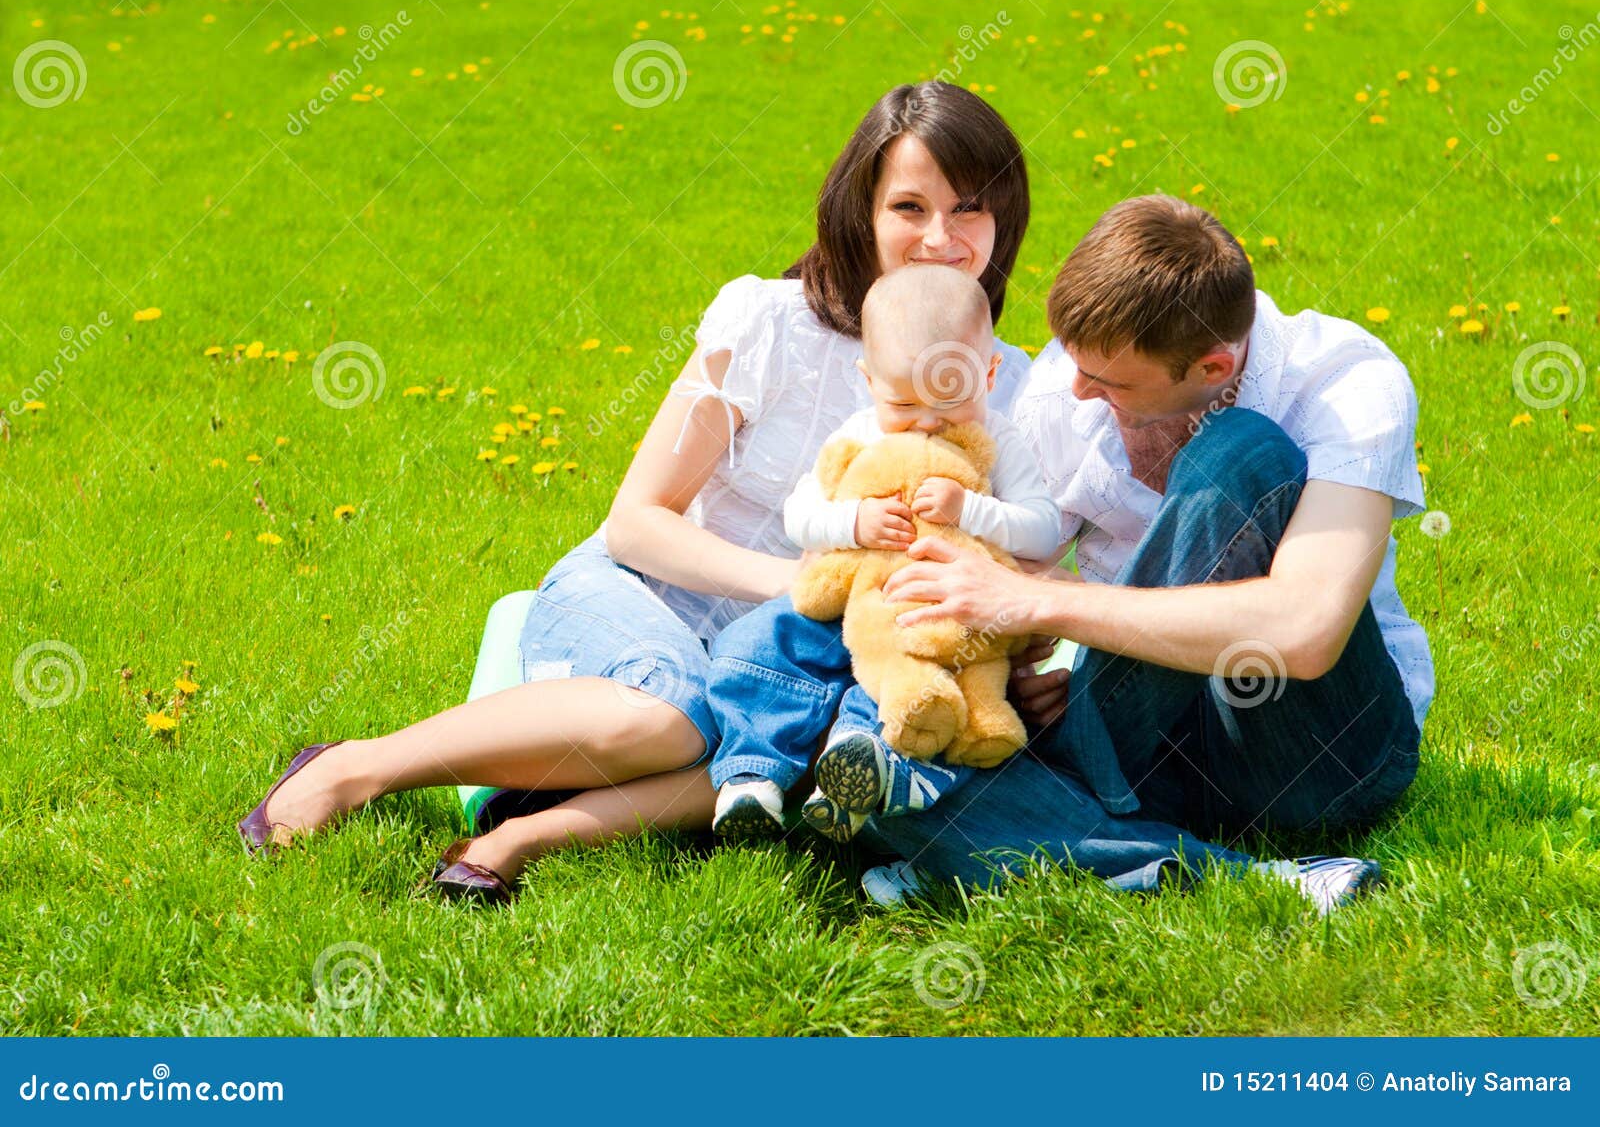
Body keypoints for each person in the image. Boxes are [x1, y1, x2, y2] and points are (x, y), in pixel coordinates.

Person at [236, 80, 1035, 904]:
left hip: (804, 661)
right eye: (910, 206)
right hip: (653, 597)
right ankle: (352, 768)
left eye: (969, 208)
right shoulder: (766, 323)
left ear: (1002, 217)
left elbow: (1020, 548)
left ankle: (515, 837)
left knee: (793, 745)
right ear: (860, 212)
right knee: (672, 718)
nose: (941, 237)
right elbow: (636, 524)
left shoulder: (1008, 383)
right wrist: (808, 590)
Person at [712, 195, 1429, 916]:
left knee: (1243, 450)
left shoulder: (1348, 386)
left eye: (1109, 384)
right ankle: (1246, 876)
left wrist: (1046, 605)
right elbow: (1002, 569)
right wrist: (1034, 661)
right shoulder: (1065, 389)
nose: (1077, 392)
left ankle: (1027, 840)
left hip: (1310, 746)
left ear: (1212, 365)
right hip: (1133, 738)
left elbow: (1303, 630)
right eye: (1075, 365)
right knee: (900, 758)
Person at [707, 263, 1059, 841]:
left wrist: (969, 509)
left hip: (940, 611)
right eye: (902, 404)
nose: (924, 423)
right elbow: (800, 516)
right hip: (848, 598)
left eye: (948, 405)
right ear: (869, 381)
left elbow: (1044, 532)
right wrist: (853, 522)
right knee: (760, 641)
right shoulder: (858, 433)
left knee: (914, 674)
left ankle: (866, 762)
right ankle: (752, 776)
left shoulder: (1002, 442)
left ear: (990, 373)